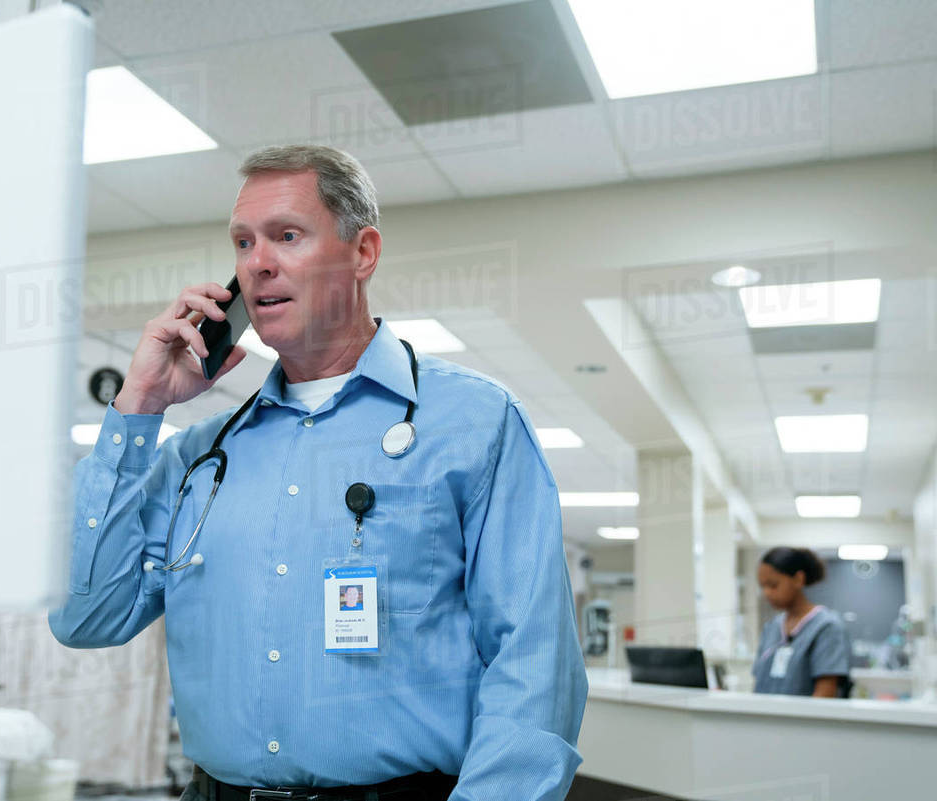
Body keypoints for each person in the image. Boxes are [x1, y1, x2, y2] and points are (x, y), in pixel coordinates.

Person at [49, 145, 587, 801]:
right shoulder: (198, 458)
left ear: (363, 252)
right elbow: (85, 617)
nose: (257, 262)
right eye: (243, 242)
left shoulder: (475, 423)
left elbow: (533, 664)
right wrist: (139, 405)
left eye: (287, 236)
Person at [753, 546, 851, 698]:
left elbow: (825, 695)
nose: (767, 593)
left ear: (798, 579)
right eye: (762, 586)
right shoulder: (771, 628)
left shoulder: (826, 627)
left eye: (773, 585)